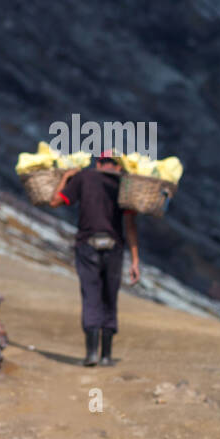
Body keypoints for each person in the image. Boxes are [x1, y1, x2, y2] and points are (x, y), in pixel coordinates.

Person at [50, 152, 140, 366]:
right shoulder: (124, 185)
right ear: (119, 167)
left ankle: (91, 354)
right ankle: (106, 356)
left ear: (99, 163)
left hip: (87, 245)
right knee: (109, 297)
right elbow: (130, 226)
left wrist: (65, 178)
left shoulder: (84, 177)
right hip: (114, 246)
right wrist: (135, 260)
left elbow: (55, 201)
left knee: (91, 295)